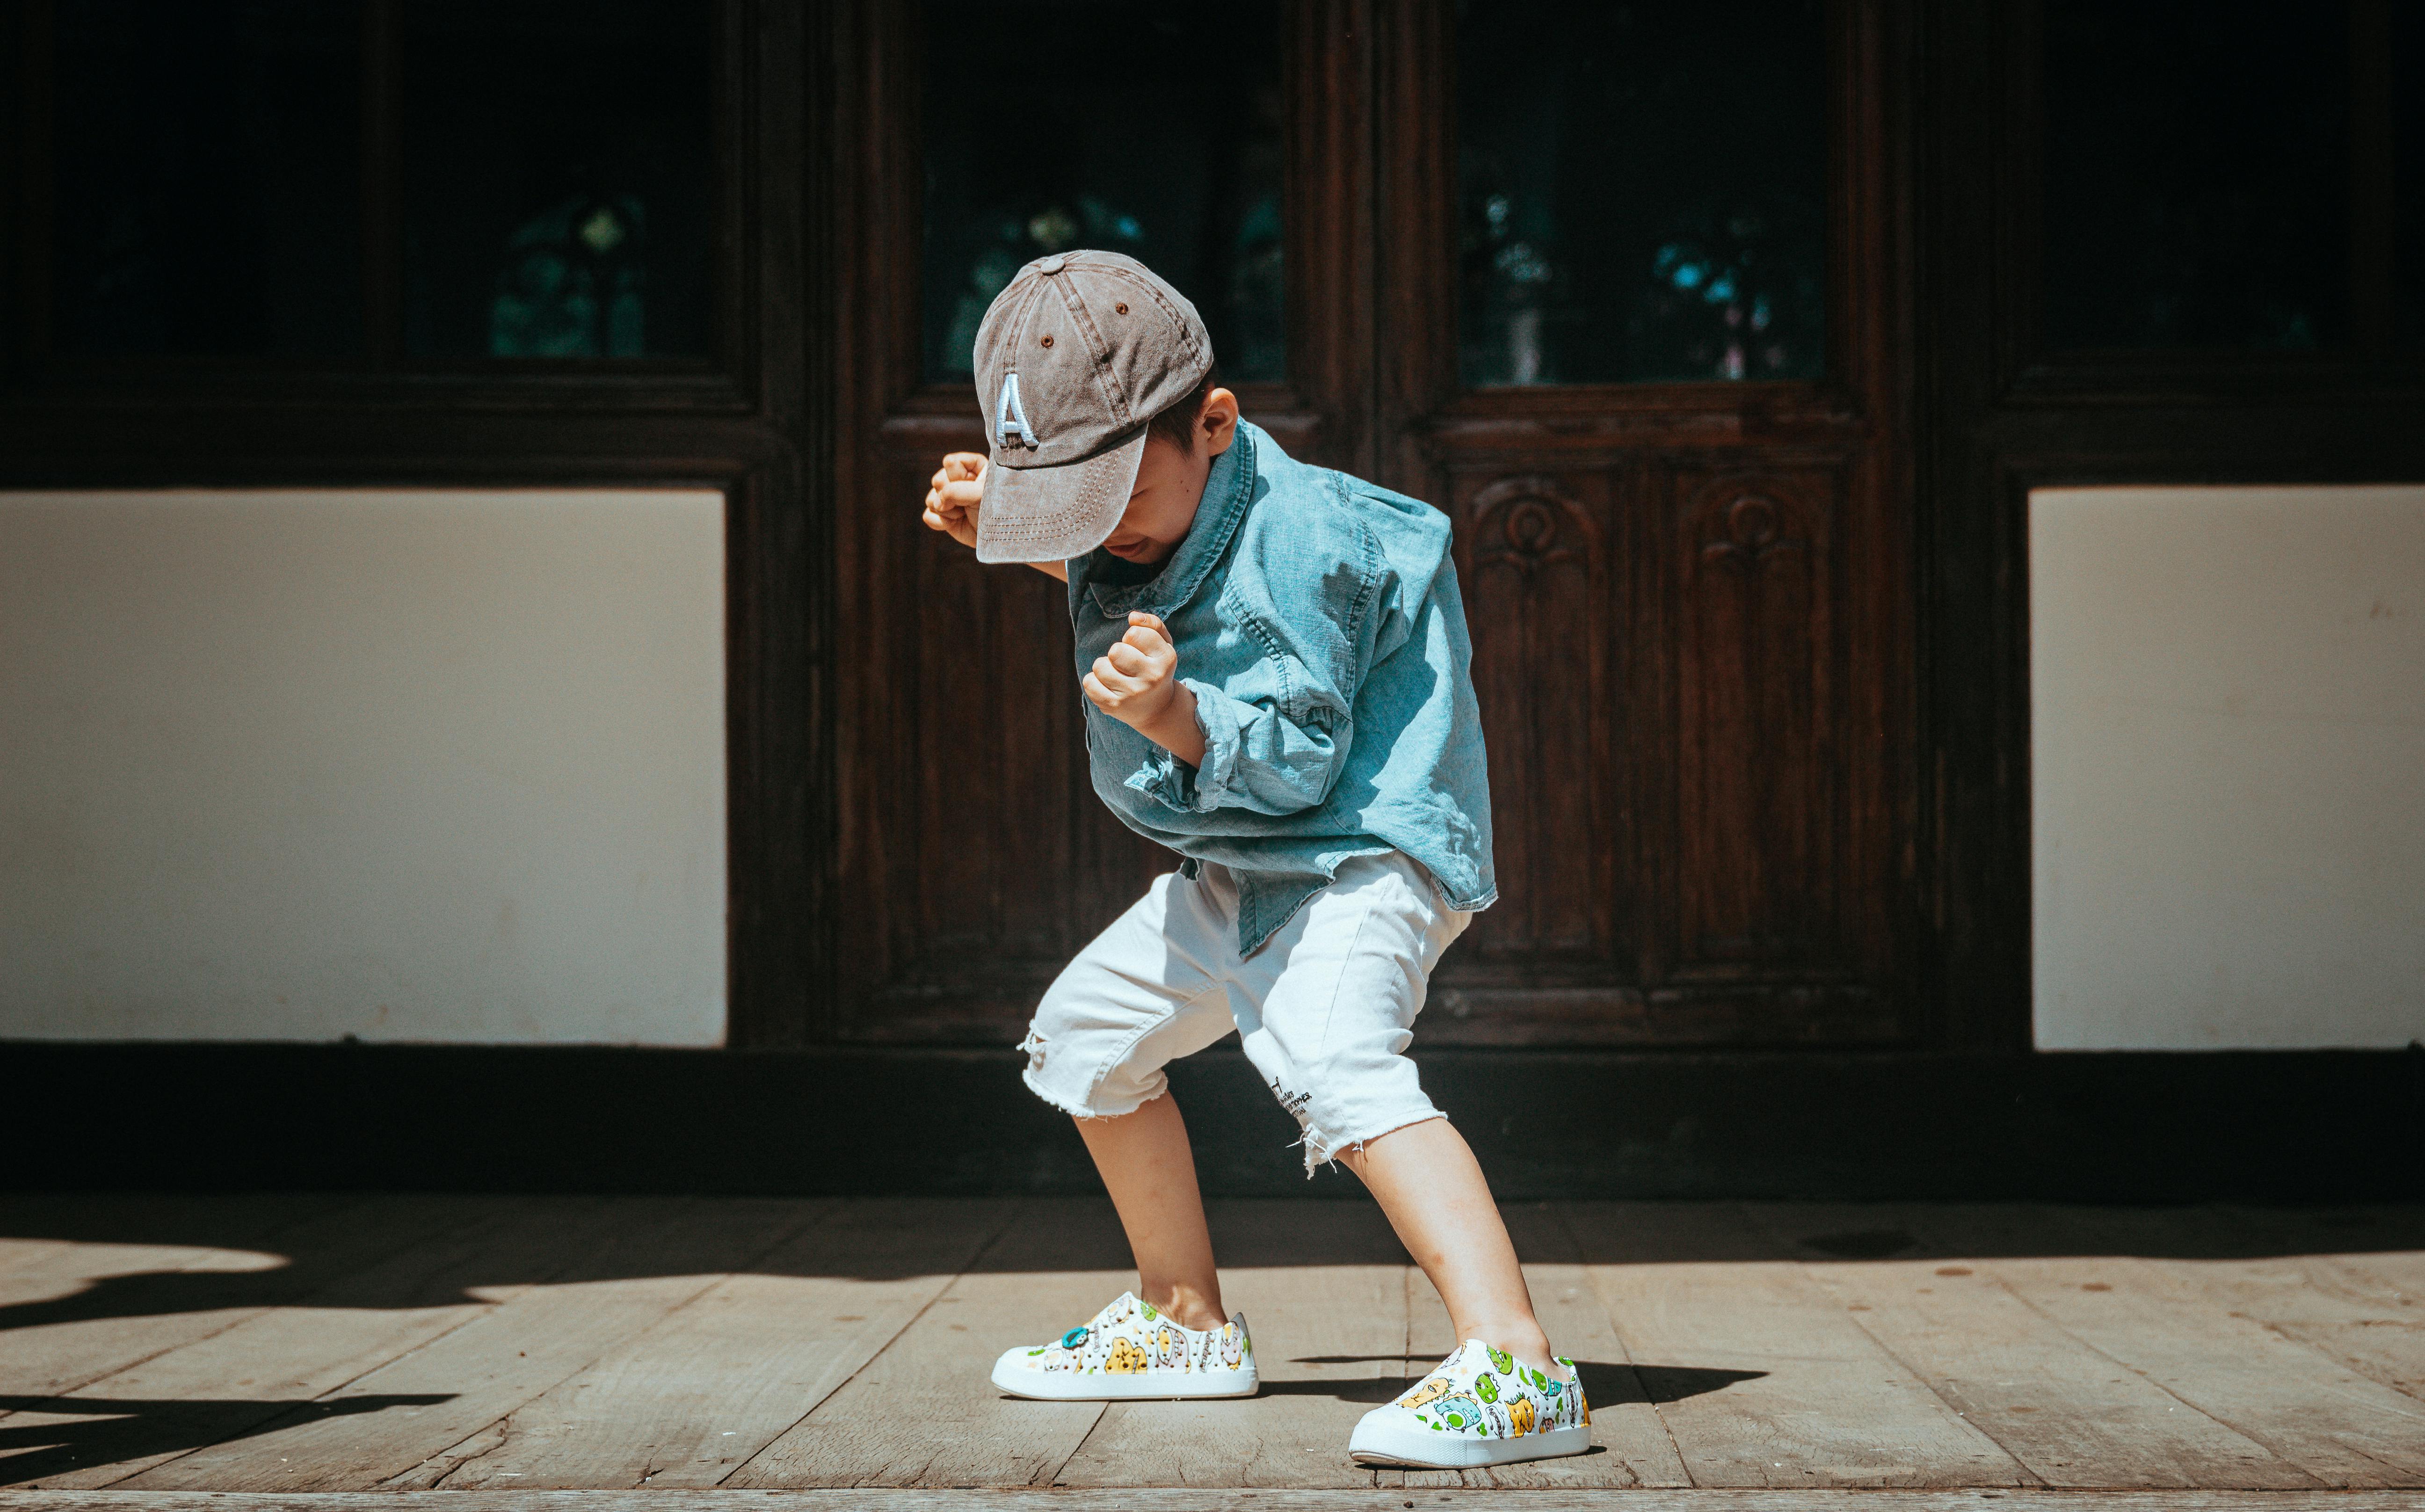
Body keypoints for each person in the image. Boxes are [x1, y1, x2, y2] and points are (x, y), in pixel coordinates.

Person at [919, 249, 1588, 1469]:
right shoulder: (1167, 506)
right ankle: (1183, 1323)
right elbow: (1151, 557)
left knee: (1335, 1061)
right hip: (1246, 860)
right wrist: (1010, 535)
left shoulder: (1308, 547)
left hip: (1359, 856)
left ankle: (1520, 1364)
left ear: (1215, 423)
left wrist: (1174, 716)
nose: (1100, 537)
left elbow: (1301, 762)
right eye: (1066, 509)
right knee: (1085, 1039)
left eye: (1112, 497)